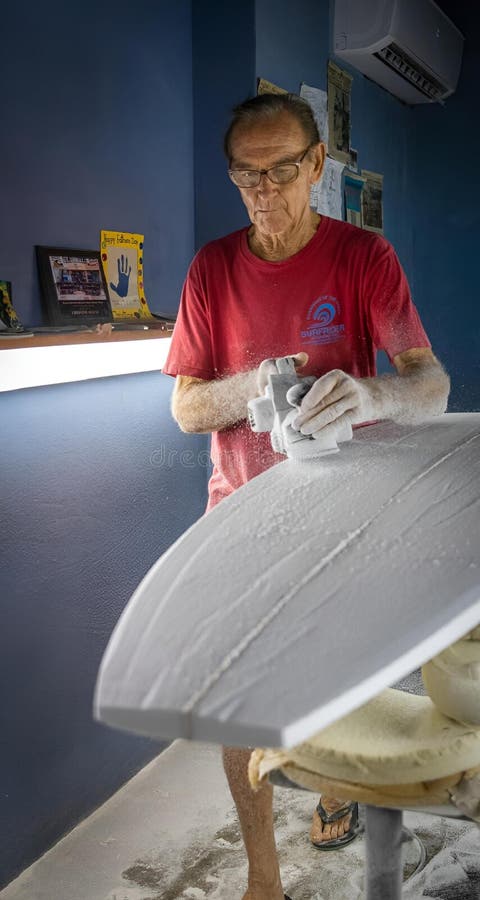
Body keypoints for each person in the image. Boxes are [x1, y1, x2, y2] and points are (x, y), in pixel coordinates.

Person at [163, 92, 450, 900]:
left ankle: (335, 789)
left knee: (341, 679)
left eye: (283, 170)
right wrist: (251, 383)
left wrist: (372, 397)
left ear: (317, 165)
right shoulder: (212, 270)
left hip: (344, 519)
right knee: (235, 703)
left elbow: (430, 383)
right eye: (247, 177)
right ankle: (264, 879)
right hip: (243, 516)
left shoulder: (365, 258)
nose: (266, 192)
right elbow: (186, 407)